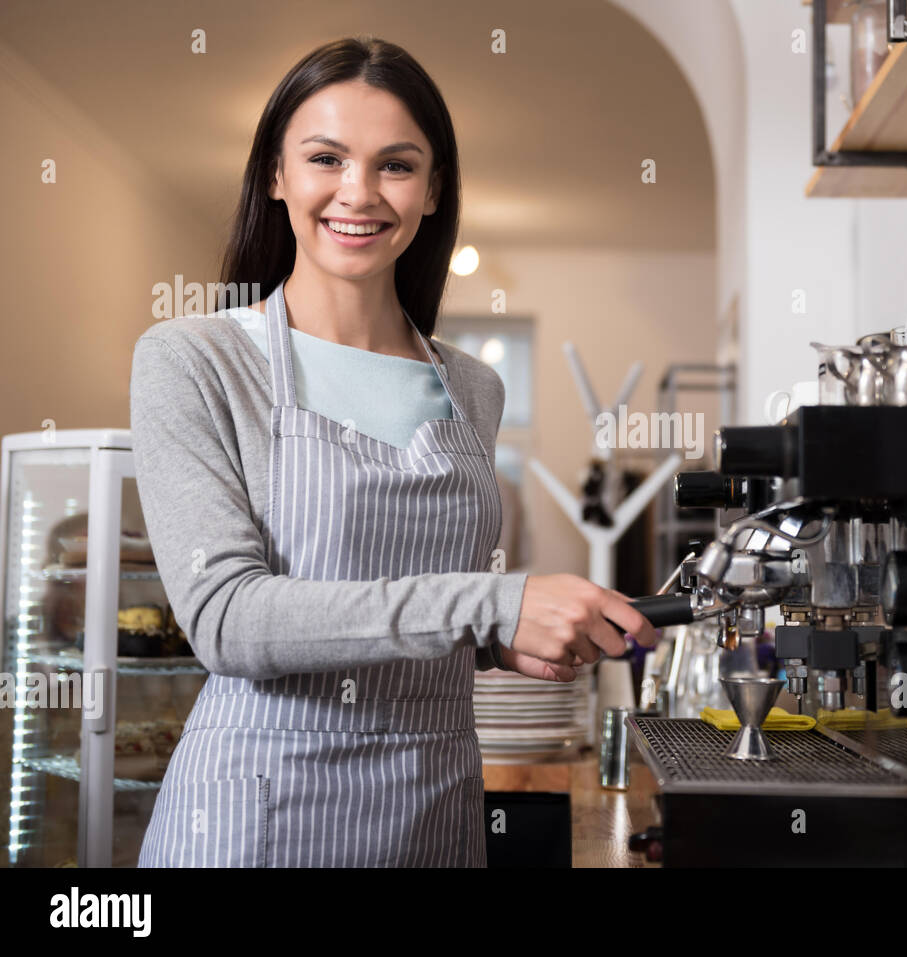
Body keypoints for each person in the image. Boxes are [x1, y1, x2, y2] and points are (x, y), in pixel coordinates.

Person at [131, 36, 657, 867]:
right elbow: (228, 619)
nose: (359, 192)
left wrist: (505, 638)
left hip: (435, 804)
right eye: (326, 158)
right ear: (276, 174)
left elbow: (426, 609)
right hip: (260, 809)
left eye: (396, 165)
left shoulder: (471, 387)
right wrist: (488, 606)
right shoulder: (194, 359)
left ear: (435, 187)